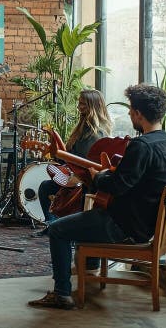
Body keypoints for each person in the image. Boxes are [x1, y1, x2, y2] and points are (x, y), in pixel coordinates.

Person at [28, 84, 166, 310]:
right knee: (86, 215)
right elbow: (136, 180)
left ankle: (61, 294)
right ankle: (88, 264)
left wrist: (97, 176)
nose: (129, 113)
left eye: (131, 110)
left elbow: (117, 186)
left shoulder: (141, 146)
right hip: (148, 225)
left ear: (139, 113)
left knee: (57, 230)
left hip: (126, 227)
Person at [34, 89, 112, 236]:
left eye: (82, 104)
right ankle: (52, 225)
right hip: (77, 177)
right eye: (79, 103)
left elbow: (84, 162)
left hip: (84, 183)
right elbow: (71, 158)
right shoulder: (84, 129)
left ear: (92, 106)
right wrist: (55, 152)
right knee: (46, 187)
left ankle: (54, 226)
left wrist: (64, 160)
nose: (78, 107)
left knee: (46, 187)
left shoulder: (95, 133)